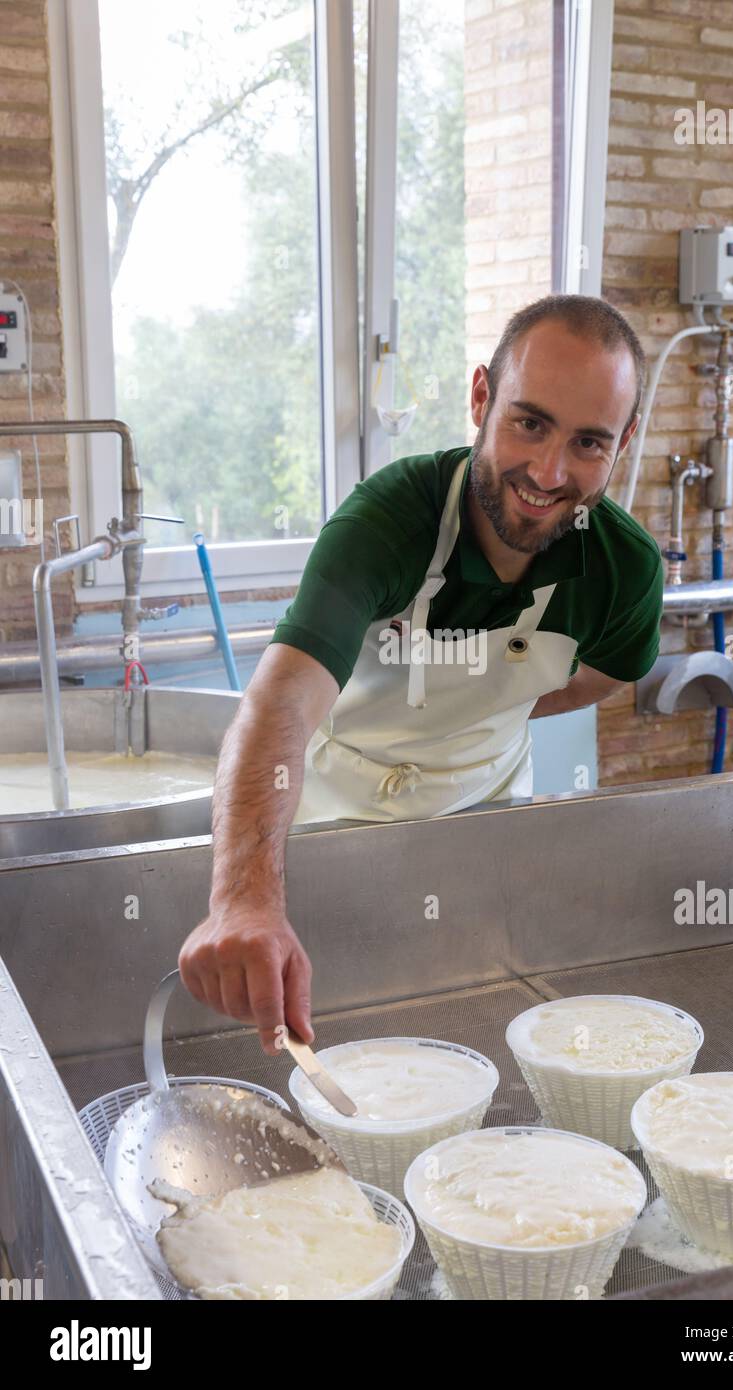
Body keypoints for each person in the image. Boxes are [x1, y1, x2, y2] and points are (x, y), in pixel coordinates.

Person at [179, 294, 664, 1055]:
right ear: (480, 398)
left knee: (475, 1038)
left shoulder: (623, 568)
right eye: (528, 423)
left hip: (485, 836)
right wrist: (244, 901)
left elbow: (599, 679)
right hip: (328, 833)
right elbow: (280, 701)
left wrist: (479, 721)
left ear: (625, 441)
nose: (548, 472)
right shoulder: (385, 523)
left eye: (589, 444)